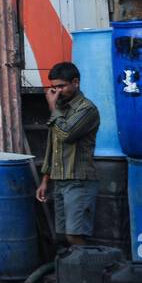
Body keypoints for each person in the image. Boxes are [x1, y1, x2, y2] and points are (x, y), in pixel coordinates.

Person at [36, 61, 101, 247]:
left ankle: (88, 272)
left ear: (76, 82)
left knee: (75, 234)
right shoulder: (60, 110)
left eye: (61, 86)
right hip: (60, 181)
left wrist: (52, 108)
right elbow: (52, 146)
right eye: (53, 87)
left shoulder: (86, 109)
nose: (56, 92)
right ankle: (74, 272)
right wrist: (45, 180)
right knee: (63, 235)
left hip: (79, 180)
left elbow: (66, 135)